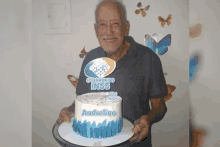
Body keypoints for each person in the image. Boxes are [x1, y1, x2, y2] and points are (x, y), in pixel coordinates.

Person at [56, 0, 169, 146]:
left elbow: (160, 107)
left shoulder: (149, 58)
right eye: (102, 25)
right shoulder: (90, 58)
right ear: (96, 29)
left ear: (126, 27)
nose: (108, 32)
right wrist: (70, 110)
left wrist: (148, 119)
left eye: (115, 24)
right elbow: (85, 100)